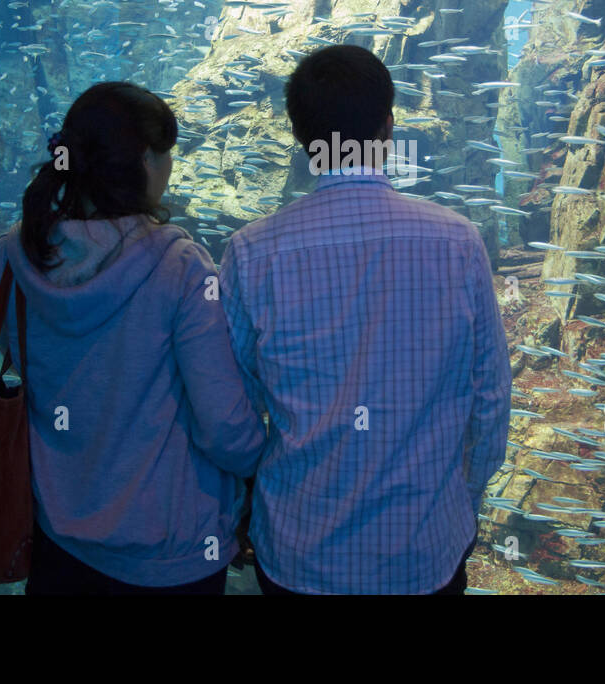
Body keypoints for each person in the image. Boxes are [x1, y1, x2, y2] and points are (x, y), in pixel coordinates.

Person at [220, 43, 513, 595]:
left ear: (300, 137)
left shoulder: (250, 252)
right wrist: (462, 502)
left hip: (297, 554)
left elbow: (234, 410)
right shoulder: (457, 242)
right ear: (388, 127)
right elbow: (491, 397)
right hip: (424, 553)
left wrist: (250, 498)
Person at [0, 82, 265, 595]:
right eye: (168, 154)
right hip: (167, 553)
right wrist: (263, 465)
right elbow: (222, 423)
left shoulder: (7, 260)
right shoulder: (179, 266)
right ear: (144, 160)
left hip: (58, 541)